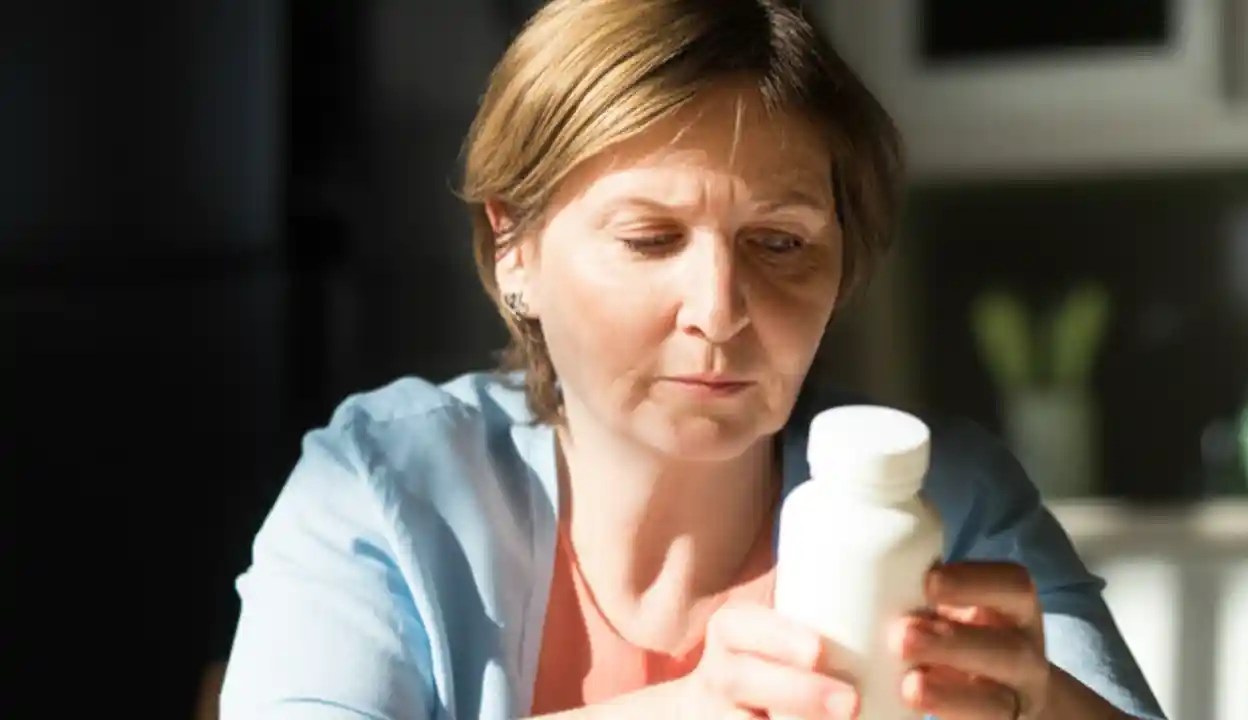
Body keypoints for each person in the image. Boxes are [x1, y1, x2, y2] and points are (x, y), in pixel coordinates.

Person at [219, 1, 1166, 718]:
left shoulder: (944, 500)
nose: (720, 312)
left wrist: (1043, 704)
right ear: (514, 248)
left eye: (783, 243)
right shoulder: (384, 488)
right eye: (649, 237)